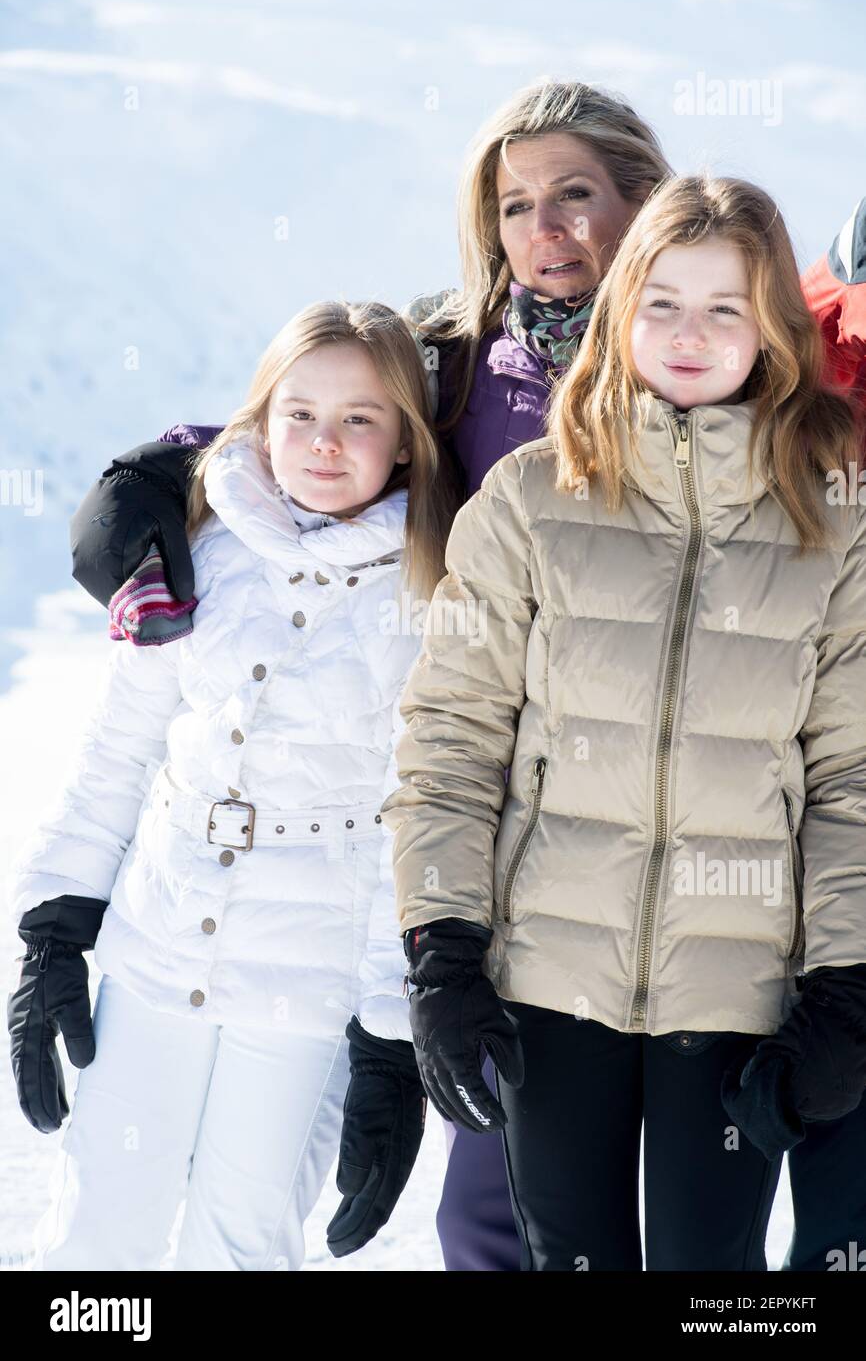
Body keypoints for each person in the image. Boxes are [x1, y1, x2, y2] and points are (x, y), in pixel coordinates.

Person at [62, 78, 866, 1271]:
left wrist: (840, 983)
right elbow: (319, 415)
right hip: (513, 892)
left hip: (730, 938)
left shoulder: (786, 425)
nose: (543, 226)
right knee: (496, 1217)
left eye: (574, 195)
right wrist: (163, 464)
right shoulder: (455, 364)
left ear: (640, 202)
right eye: (514, 203)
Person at [381, 174, 866, 1271]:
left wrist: (844, 986)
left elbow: (850, 778)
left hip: (735, 996)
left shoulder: (831, 525)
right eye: (661, 302)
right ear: (620, 308)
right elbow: (450, 742)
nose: (687, 335)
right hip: (545, 987)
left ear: (773, 331)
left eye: (724, 308)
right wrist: (441, 952)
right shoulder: (527, 499)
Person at [5, 300, 462, 1270]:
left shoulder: (422, 593)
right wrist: (55, 921)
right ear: (259, 418)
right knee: (98, 1233)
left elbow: (408, 821)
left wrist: (385, 1034)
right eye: (298, 413)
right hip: (156, 949)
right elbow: (120, 746)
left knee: (242, 1241)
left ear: (405, 445)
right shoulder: (198, 544)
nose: (323, 443)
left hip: (298, 991)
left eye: (359, 419)